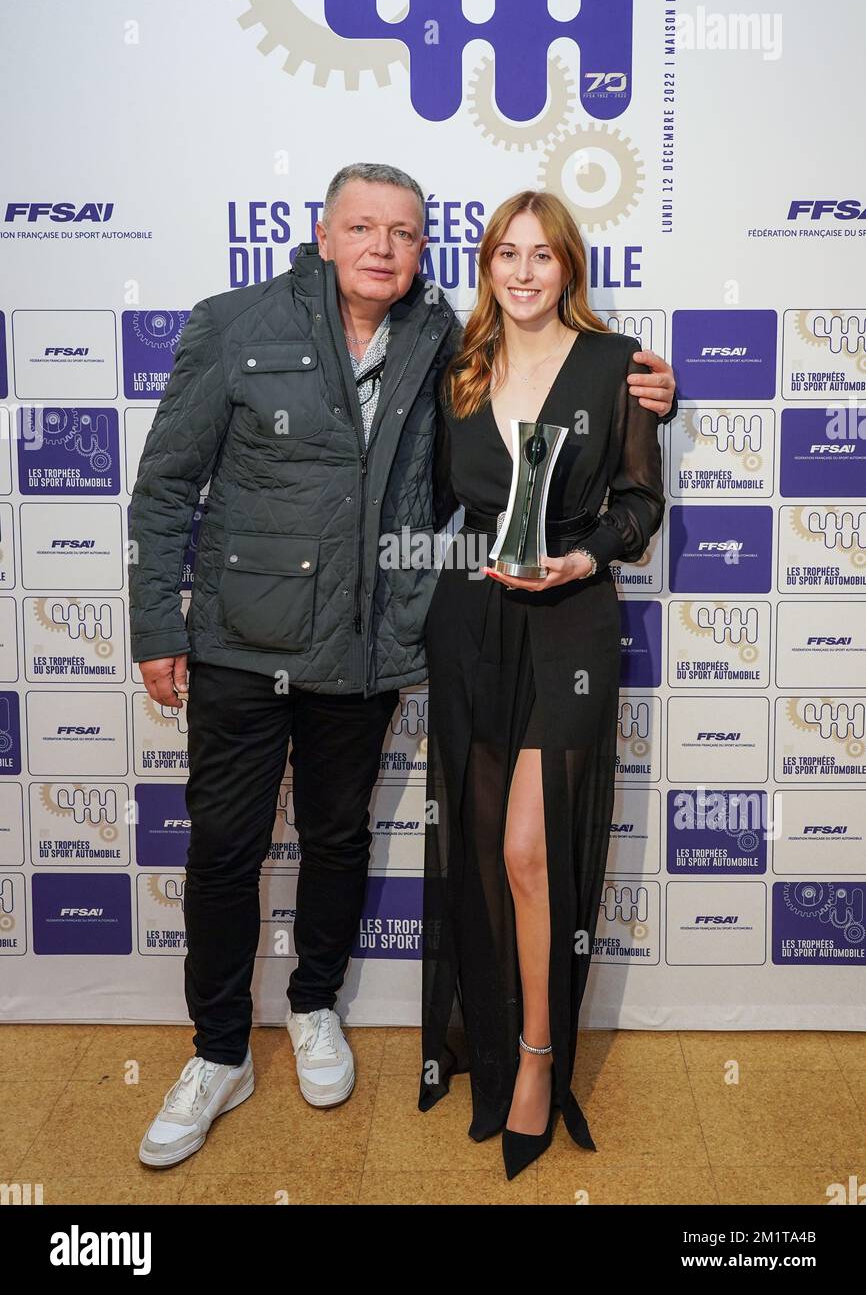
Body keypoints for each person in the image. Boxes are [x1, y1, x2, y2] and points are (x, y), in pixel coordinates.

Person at [128, 163, 675, 1168]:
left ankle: (323, 1008)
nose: (383, 248)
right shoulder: (255, 325)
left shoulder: (455, 343)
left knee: (348, 840)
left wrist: (654, 397)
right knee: (225, 850)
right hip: (263, 640)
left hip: (387, 646)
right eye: (363, 228)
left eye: (404, 233)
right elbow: (166, 484)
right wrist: (157, 622)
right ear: (324, 235)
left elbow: (609, 476)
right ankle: (216, 1053)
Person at [419, 190, 667, 1180]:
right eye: (504, 255)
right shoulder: (460, 373)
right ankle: (485, 1036)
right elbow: (425, 496)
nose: (522, 273)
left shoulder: (617, 369)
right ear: (485, 267)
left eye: (542, 256)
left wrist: (585, 556)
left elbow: (640, 504)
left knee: (530, 847)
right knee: (482, 845)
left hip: (570, 619)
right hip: (471, 622)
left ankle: (535, 1059)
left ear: (568, 268)